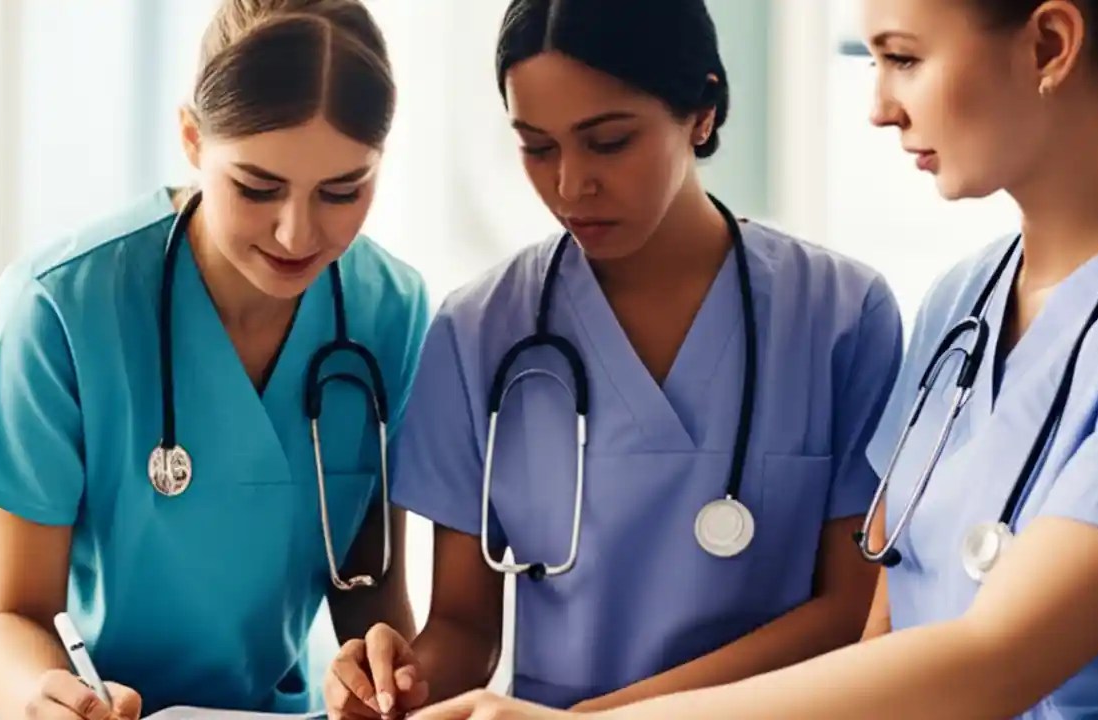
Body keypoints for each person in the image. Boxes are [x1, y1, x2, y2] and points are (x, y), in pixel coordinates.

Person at [406, 0, 1098, 718]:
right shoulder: (963, 303)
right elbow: (885, 622)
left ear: (1051, 43)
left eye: (903, 59)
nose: (879, 106)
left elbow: (995, 659)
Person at [324, 0, 904, 716]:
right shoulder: (479, 329)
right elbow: (466, 629)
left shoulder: (841, 315)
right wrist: (398, 681)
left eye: (609, 142)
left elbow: (851, 615)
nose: (570, 185)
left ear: (702, 111)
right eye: (537, 146)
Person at [0, 0, 428, 717]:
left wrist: (377, 674)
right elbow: (14, 614)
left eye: (343, 190)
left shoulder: (387, 311)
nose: (296, 232)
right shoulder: (61, 306)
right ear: (191, 138)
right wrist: (44, 698)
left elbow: (367, 592)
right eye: (256, 187)